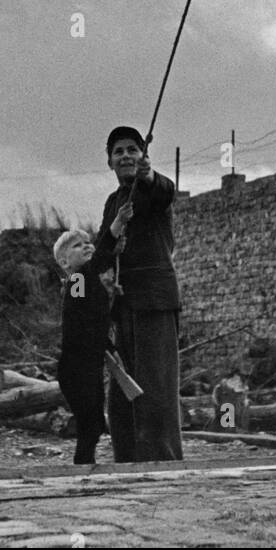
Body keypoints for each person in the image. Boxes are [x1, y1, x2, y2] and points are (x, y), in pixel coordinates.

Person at [94, 125, 183, 462]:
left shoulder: (153, 189)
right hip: (123, 306)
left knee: (157, 392)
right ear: (110, 163)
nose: (126, 155)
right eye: (119, 152)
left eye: (133, 149)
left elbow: (165, 190)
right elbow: (102, 251)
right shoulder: (112, 203)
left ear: (143, 157)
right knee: (122, 396)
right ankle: (128, 461)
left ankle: (162, 462)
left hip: (155, 302)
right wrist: (115, 230)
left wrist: (149, 175)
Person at [53, 228, 112, 465]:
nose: (87, 246)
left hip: (89, 365)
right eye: (78, 245)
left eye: (89, 242)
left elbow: (94, 314)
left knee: (95, 423)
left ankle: (86, 463)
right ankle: (82, 465)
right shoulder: (77, 280)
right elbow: (80, 313)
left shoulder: (89, 280)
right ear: (65, 262)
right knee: (89, 422)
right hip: (76, 369)